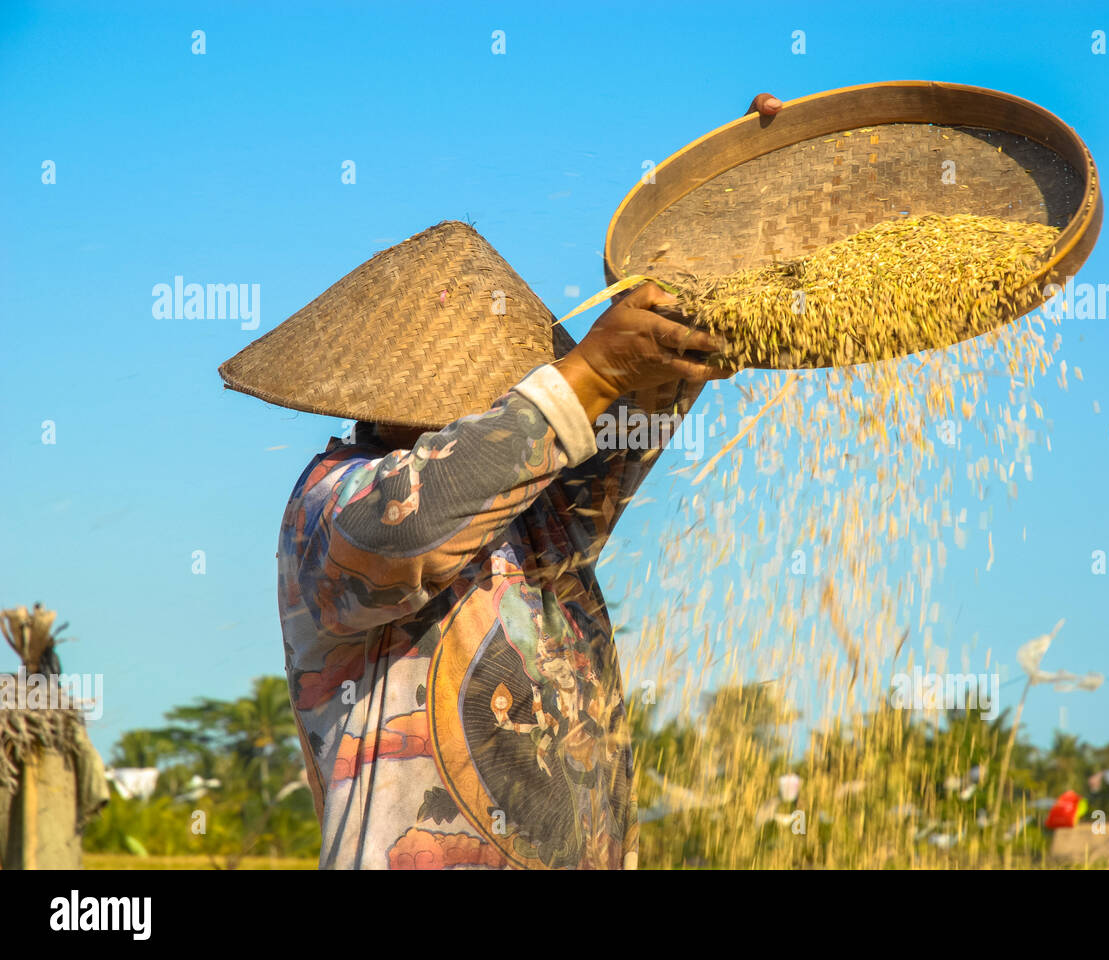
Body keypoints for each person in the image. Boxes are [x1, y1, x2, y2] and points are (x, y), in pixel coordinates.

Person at [218, 93, 783, 869]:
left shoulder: (537, 516)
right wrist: (593, 371)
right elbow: (410, 531)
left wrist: (738, 214)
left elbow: (625, 418)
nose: (515, 404)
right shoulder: (334, 499)